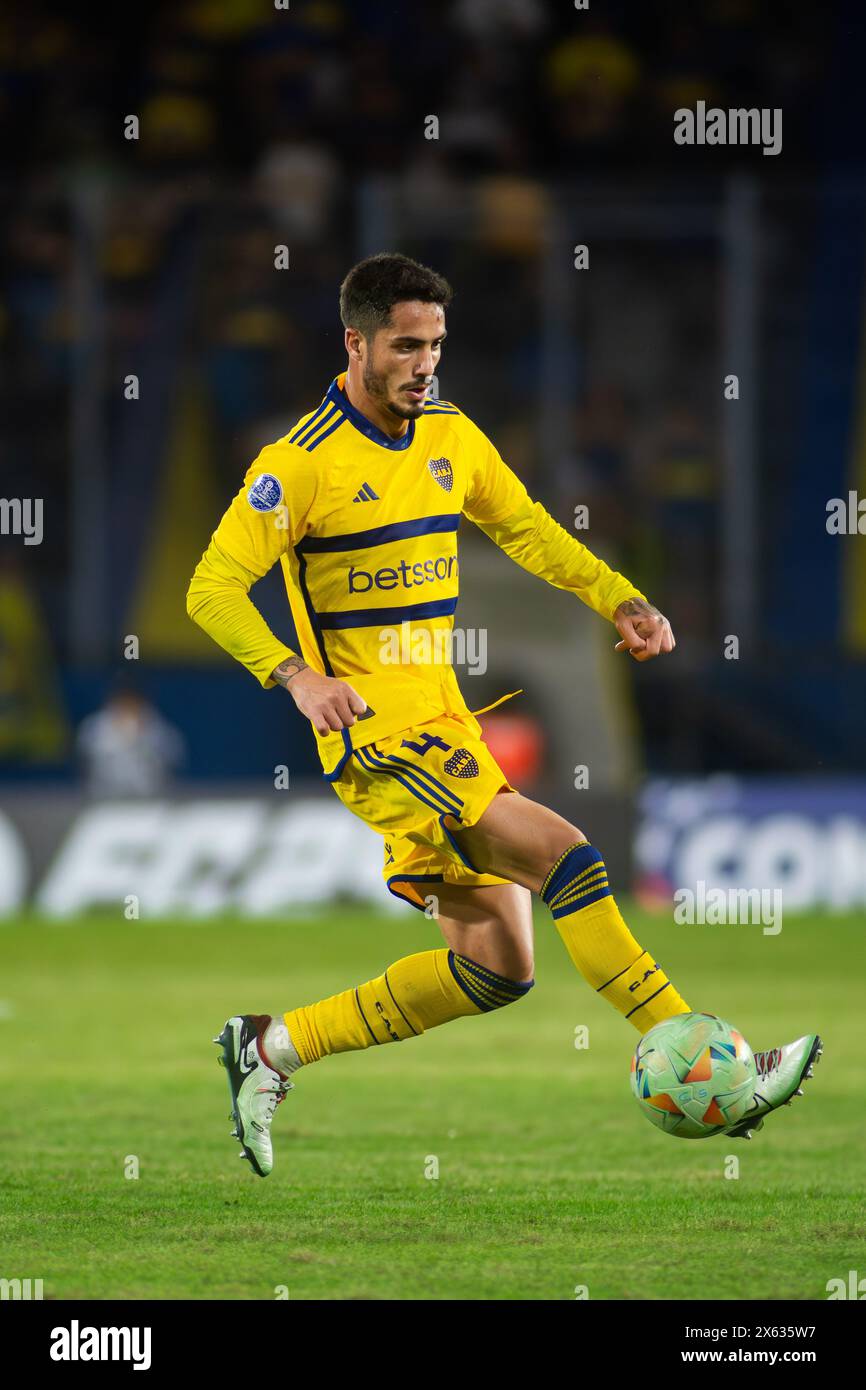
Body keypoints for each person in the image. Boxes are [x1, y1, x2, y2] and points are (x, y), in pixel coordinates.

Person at [187, 253, 820, 1177]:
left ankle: (270, 1048)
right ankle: (715, 1067)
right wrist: (296, 677)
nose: (423, 364)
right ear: (355, 343)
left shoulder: (449, 433)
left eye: (436, 345)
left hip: (442, 718)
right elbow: (211, 587)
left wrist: (619, 597)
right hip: (377, 734)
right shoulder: (301, 464)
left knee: (497, 970)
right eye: (405, 346)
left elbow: (525, 525)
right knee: (570, 857)